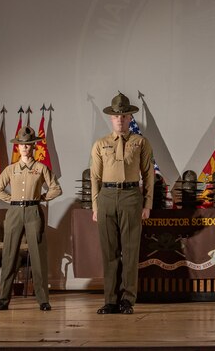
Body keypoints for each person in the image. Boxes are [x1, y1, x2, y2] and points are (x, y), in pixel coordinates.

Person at [91, 92, 154, 314]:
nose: (120, 120)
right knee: (109, 252)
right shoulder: (101, 144)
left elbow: (148, 175)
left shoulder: (141, 142)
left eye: (124, 116)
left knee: (129, 251)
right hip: (107, 196)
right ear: (111, 118)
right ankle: (110, 300)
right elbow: (95, 178)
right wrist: (96, 206)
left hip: (130, 197)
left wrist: (147, 204)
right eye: (116, 116)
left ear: (130, 118)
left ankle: (127, 299)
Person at [0, 126, 62, 312]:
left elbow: (56, 188)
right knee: (9, 256)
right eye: (22, 145)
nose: (25, 148)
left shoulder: (40, 168)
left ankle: (43, 300)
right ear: (18, 147)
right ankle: (3, 299)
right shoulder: (11, 169)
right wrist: (11, 200)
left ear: (33, 146)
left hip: (33, 211)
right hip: (14, 213)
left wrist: (42, 198)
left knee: (37, 256)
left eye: (28, 145)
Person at [0, 221, 28, 299]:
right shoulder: (5, 223)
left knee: (16, 256)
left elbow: (30, 244)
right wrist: (8, 246)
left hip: (21, 251)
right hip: (6, 250)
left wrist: (14, 246)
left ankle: (7, 288)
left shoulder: (28, 224)